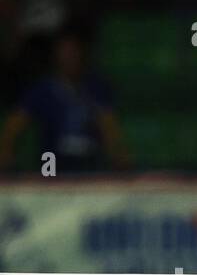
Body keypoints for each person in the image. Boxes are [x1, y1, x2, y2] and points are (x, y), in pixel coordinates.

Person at [0, 27, 129, 172]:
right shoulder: (42, 90)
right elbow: (14, 125)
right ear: (55, 56)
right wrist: (5, 151)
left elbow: (108, 125)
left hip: (88, 157)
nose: (69, 58)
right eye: (64, 53)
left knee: (94, 169)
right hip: (52, 157)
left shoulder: (96, 88)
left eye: (73, 52)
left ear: (82, 54)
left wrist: (118, 154)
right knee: (48, 167)